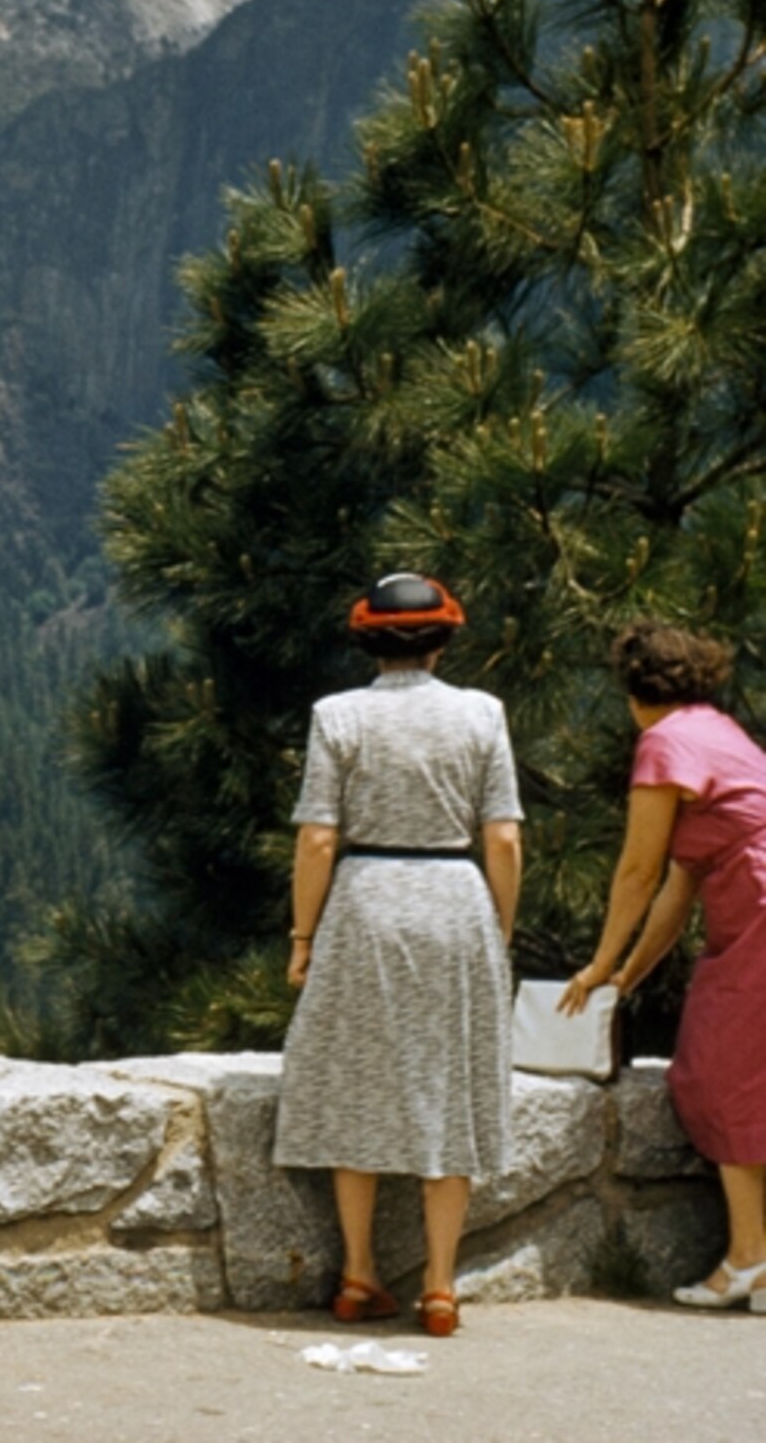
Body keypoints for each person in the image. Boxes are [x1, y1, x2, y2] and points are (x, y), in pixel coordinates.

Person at [273, 572, 524, 1339]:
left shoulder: (337, 715)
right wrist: (498, 931)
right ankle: (442, 1289)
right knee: (451, 1087)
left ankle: (358, 1275)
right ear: (446, 637)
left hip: (364, 901)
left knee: (358, 1081)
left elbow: (318, 835)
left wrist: (302, 936)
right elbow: (505, 837)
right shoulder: (482, 714)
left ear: (366, 637)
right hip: (454, 898)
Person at [559, 622, 766, 1309]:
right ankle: (753, 1258)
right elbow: (680, 886)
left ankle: (749, 1260)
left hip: (757, 918)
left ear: (632, 693)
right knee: (733, 1069)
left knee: (719, 1074)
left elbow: (640, 871)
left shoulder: (664, 742)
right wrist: (623, 978)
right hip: (747, 915)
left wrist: (596, 962)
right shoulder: (718, 729)